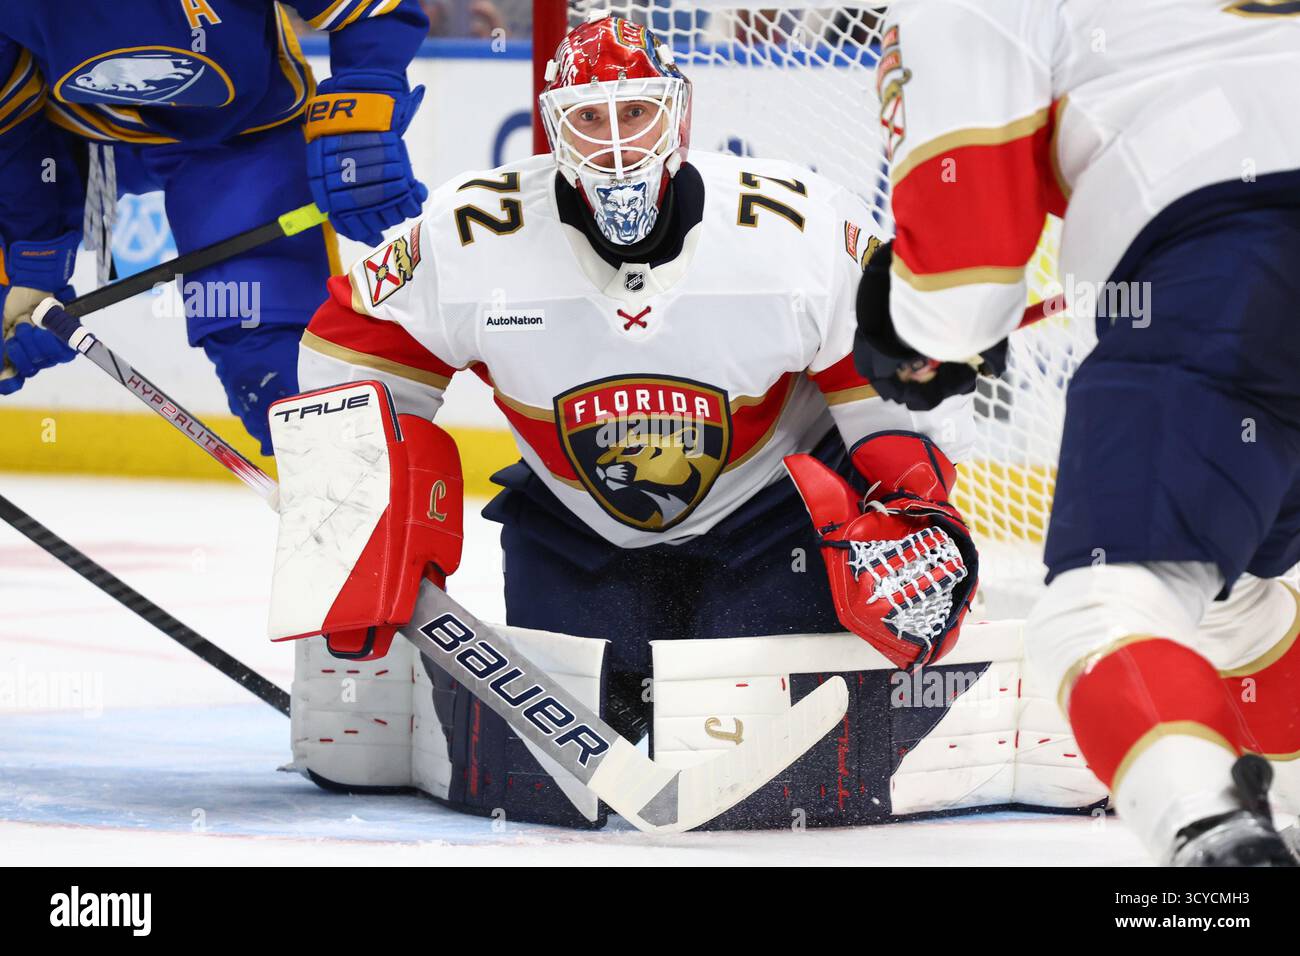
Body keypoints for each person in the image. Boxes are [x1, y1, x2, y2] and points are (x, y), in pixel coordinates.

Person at [271, 14, 983, 829]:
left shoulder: (794, 230)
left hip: (767, 521)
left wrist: (913, 505)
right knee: (582, 726)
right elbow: (354, 346)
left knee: (745, 710)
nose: (614, 145)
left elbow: (884, 371)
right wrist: (352, 517)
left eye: (635, 113)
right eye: (588, 119)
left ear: (678, 115)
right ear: (553, 127)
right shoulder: (474, 236)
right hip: (576, 530)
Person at [855, 0, 1300, 865]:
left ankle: (1221, 862)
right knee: (1234, 596)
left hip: (1233, 260)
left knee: (1101, 608)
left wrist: (903, 326)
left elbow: (962, 288)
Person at [0, 0, 430, 453]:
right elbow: (10, 128)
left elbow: (374, 9)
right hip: (73, 143)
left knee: (272, 367)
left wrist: (362, 107)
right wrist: (29, 263)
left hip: (238, 140)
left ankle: (336, 487)